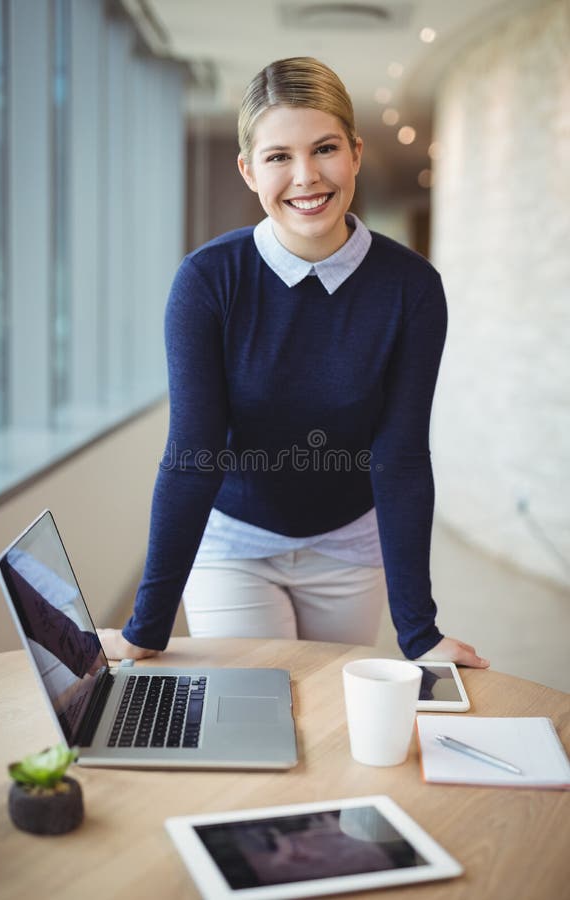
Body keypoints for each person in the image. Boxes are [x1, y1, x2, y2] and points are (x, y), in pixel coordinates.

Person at [99, 57, 488, 670]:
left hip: (351, 549)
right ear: (249, 170)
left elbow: (402, 455)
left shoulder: (411, 287)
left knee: (330, 724)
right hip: (234, 544)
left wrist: (420, 631)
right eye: (278, 156)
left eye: (325, 148)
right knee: (252, 709)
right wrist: (146, 626)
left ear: (356, 154)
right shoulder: (207, 281)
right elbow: (194, 453)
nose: (306, 177)